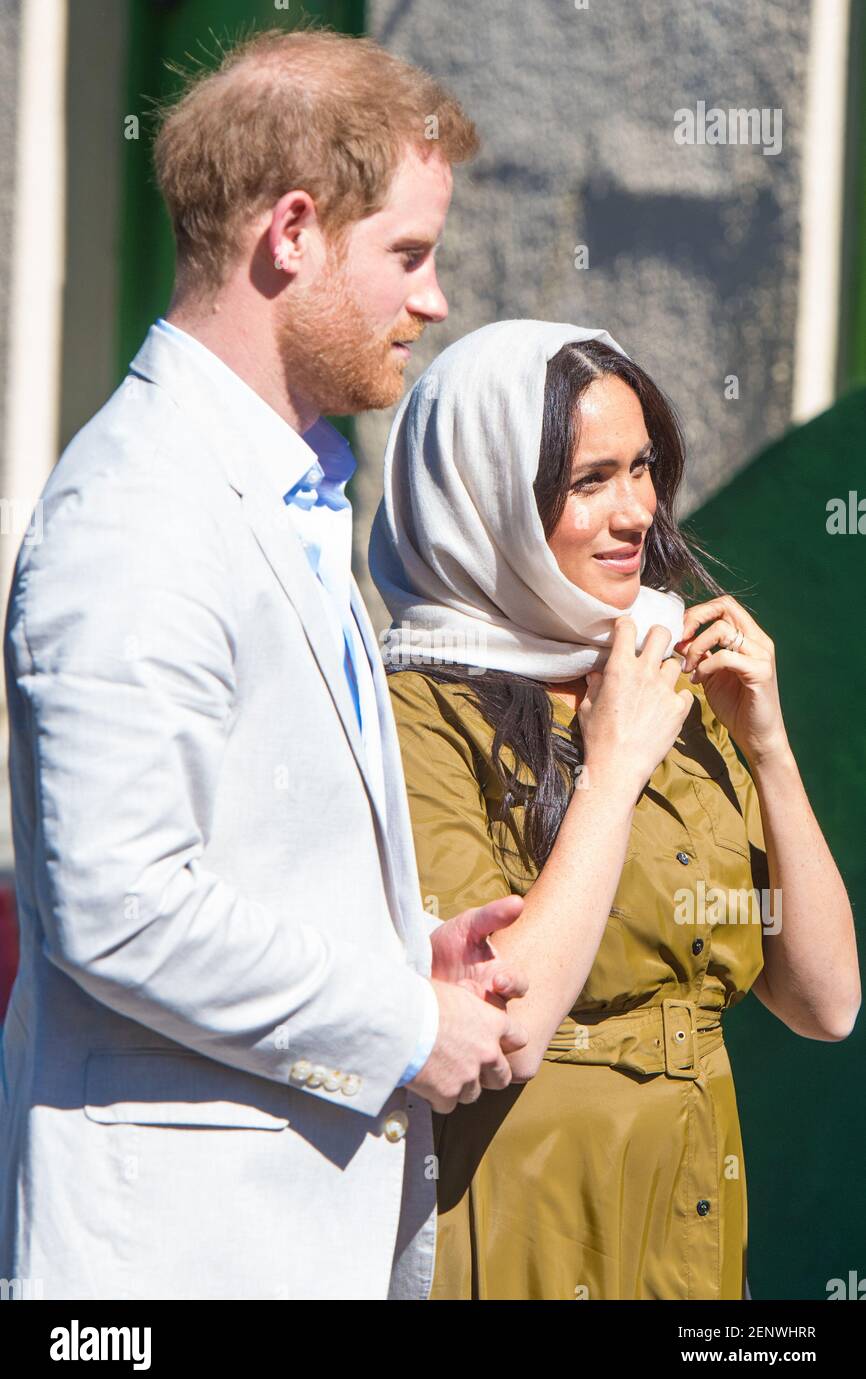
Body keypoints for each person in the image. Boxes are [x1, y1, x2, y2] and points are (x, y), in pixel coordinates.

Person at [0, 28, 531, 1302]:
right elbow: (118, 905)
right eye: (407, 253)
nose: (436, 298)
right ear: (291, 232)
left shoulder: (285, 491)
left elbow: (249, 856)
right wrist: (404, 1027)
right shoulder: (137, 509)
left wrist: (405, 953)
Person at [370, 318, 860, 1300]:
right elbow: (497, 1014)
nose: (635, 510)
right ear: (489, 498)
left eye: (643, 469)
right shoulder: (413, 708)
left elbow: (825, 1001)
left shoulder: (657, 672)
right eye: (589, 480)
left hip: (689, 1202)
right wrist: (613, 766)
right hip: (518, 1203)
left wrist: (766, 749)